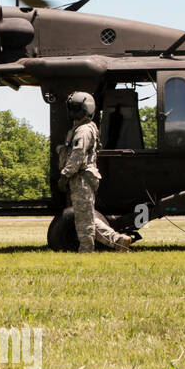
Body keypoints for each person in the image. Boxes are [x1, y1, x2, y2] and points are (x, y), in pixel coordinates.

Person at [58, 91, 131, 253]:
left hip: (81, 177)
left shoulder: (83, 131)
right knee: (86, 215)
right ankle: (118, 240)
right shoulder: (83, 129)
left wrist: (65, 174)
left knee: (83, 219)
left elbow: (78, 154)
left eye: (74, 109)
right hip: (83, 176)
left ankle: (86, 250)